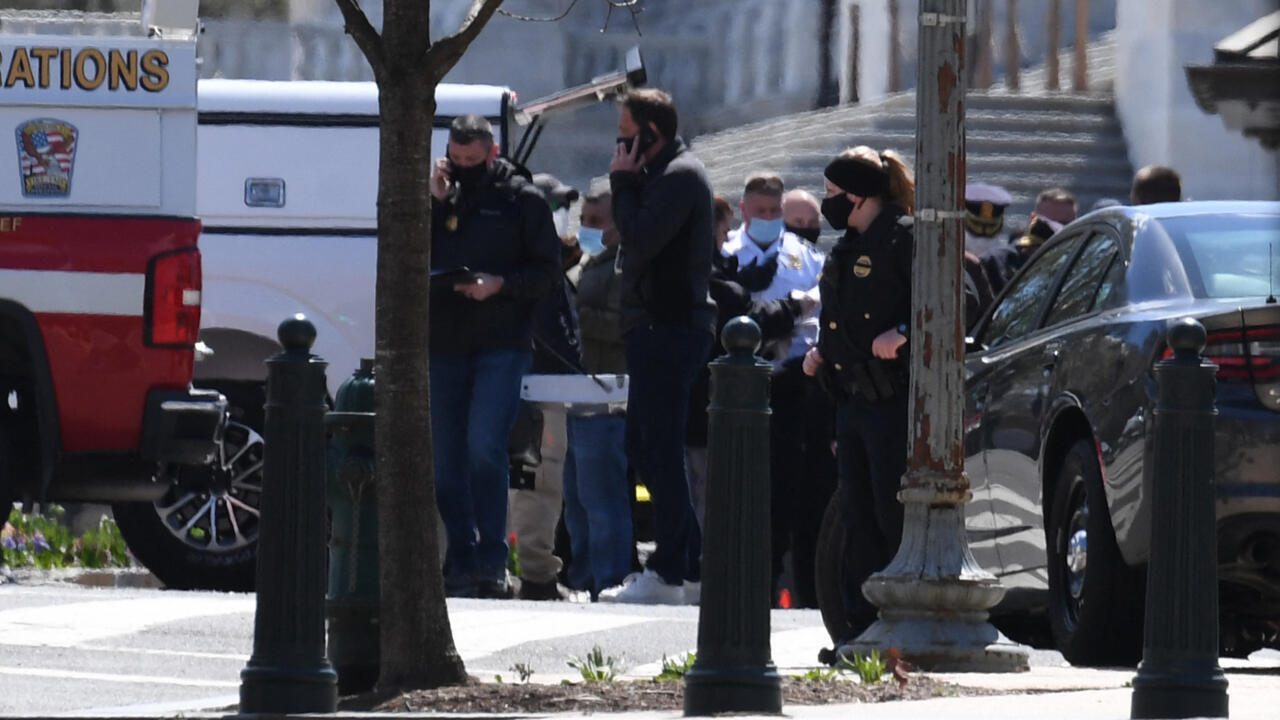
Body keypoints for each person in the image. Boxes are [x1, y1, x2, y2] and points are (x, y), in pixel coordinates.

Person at [428, 114, 561, 599]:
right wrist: (434, 205)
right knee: (445, 461)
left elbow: (548, 274)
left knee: (485, 448)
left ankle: (490, 559)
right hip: (444, 342)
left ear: (492, 151)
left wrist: (501, 286)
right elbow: (412, 254)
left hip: (501, 341)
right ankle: (460, 557)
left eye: (472, 160)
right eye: (455, 160)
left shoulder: (520, 200)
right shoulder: (441, 196)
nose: (463, 168)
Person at [599, 88, 716, 605]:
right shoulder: (659, 176)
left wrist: (622, 184)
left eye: (626, 138)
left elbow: (640, 237)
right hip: (651, 327)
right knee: (642, 447)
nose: (619, 149)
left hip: (670, 328)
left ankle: (668, 569)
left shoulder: (680, 176)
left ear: (652, 134)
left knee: (659, 448)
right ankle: (686, 562)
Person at [802, 145, 915, 639]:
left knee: (891, 512)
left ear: (859, 194)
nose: (828, 205)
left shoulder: (904, 238)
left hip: (891, 402)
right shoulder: (846, 246)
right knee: (856, 512)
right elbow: (843, 318)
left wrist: (906, 332)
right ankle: (864, 626)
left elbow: (955, 297)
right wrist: (823, 351)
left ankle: (902, 618)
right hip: (850, 401)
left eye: (833, 194)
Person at [721, 174, 833, 608]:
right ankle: (747, 587)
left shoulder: (804, 258)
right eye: (761, 212)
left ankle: (789, 590)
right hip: (738, 389)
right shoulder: (727, 254)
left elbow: (819, 317)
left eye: (774, 213)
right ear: (745, 210)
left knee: (791, 495)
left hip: (792, 387)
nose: (768, 220)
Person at [685, 196, 807, 533]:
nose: (726, 238)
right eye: (723, 231)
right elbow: (743, 315)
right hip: (709, 411)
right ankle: (707, 578)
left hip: (697, 411)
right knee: (713, 502)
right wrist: (794, 309)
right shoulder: (703, 276)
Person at [508, 172, 586, 601]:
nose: (562, 218)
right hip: (530, 381)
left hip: (543, 382)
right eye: (553, 209)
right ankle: (533, 572)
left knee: (539, 479)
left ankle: (532, 571)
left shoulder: (549, 260)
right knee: (534, 477)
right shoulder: (525, 257)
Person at [564, 187, 634, 600]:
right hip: (576, 391)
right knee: (576, 498)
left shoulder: (624, 268)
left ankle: (609, 578)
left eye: (597, 221)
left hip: (607, 394)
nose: (587, 228)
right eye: (584, 220)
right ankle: (583, 576)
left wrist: (573, 317)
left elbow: (621, 324)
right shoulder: (588, 263)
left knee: (602, 496)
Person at [980, 187, 1076, 295]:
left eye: (1064, 224)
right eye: (1048, 223)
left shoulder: (1078, 264)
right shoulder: (996, 262)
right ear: (1033, 219)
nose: (1056, 230)